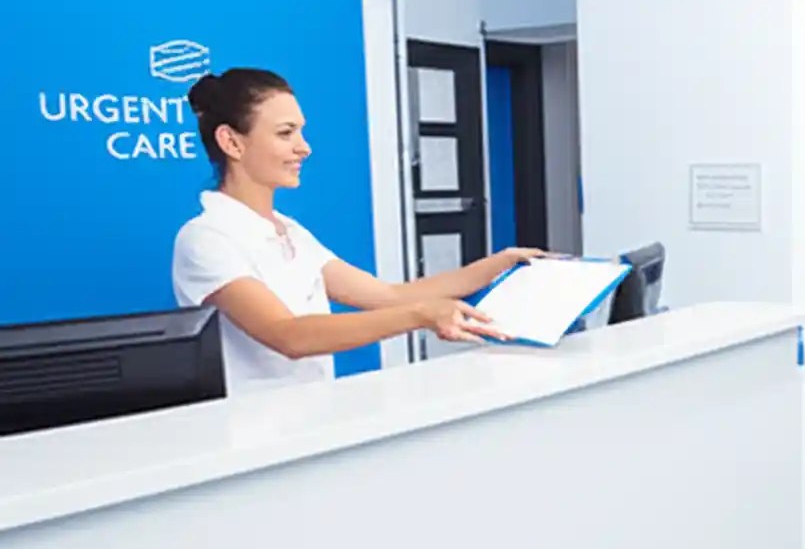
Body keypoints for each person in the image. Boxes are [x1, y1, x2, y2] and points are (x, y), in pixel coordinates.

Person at [173, 68, 539, 394]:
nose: (304, 148)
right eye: (286, 134)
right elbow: (289, 335)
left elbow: (389, 296)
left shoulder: (291, 232)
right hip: (247, 434)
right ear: (231, 142)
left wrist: (500, 263)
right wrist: (422, 316)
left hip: (309, 417)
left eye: (301, 132)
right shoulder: (207, 238)